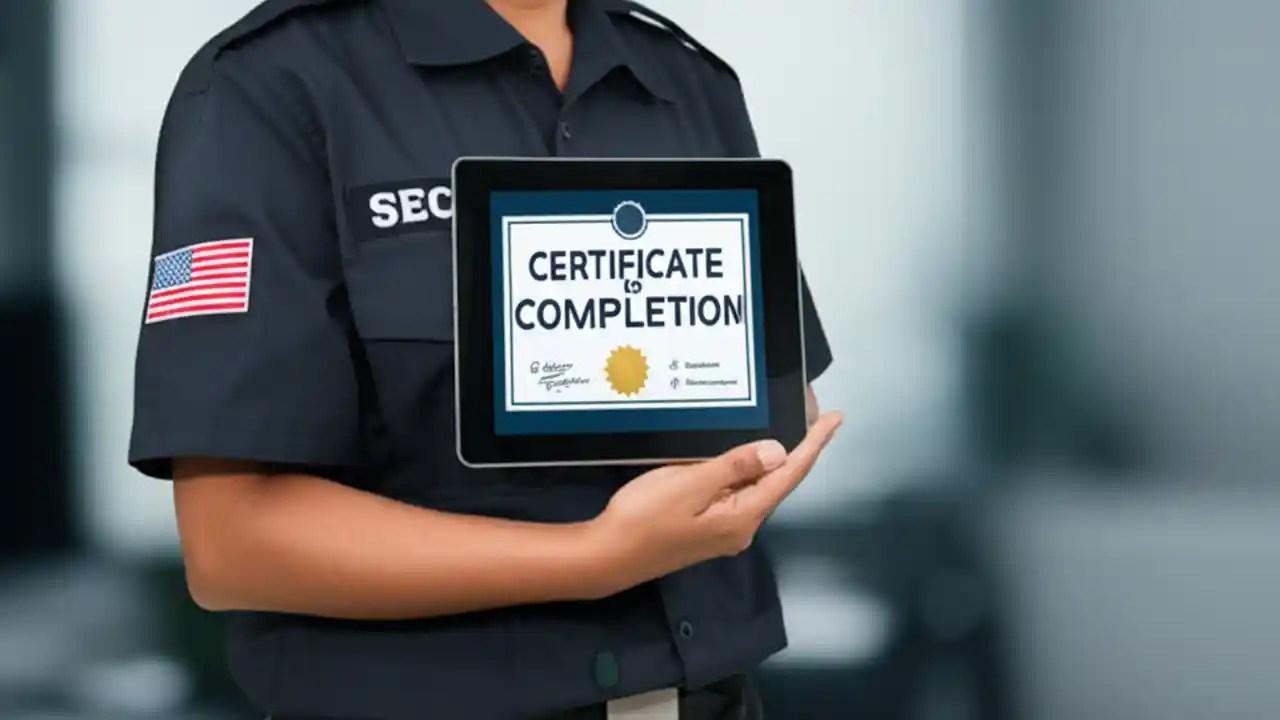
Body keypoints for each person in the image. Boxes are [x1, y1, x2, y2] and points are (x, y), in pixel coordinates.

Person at [128, 0, 840, 717]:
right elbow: (231, 544)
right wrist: (594, 557)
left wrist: (746, 444)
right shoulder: (269, 85)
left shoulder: (683, 77)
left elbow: (779, 398)